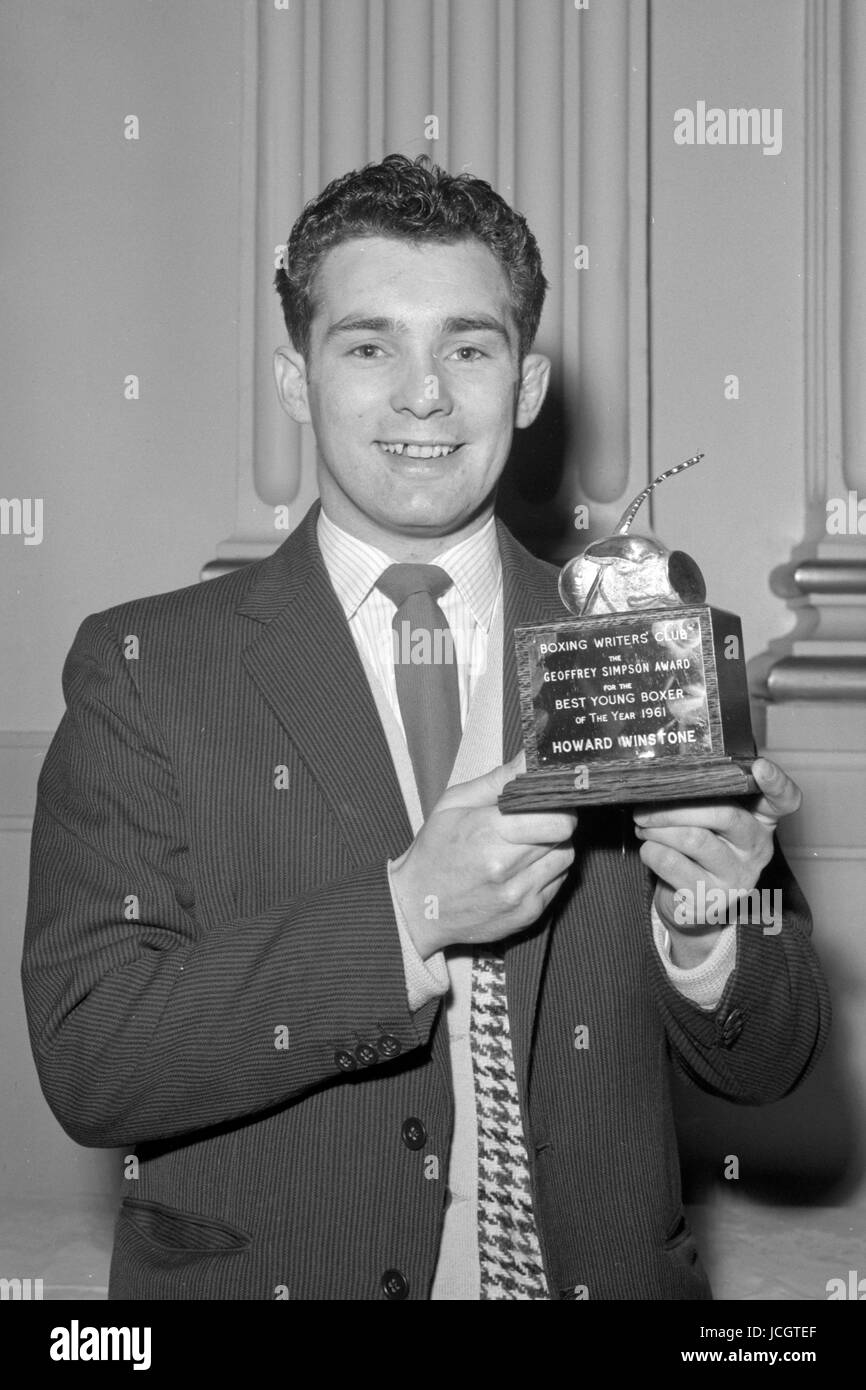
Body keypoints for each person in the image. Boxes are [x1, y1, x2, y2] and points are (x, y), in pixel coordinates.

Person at [22, 153, 830, 1301]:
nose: (423, 395)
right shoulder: (147, 669)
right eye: (366, 346)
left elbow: (769, 1056)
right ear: (295, 379)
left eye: (467, 346)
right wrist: (405, 918)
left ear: (528, 381)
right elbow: (93, 1057)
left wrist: (710, 922)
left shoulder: (650, 651)